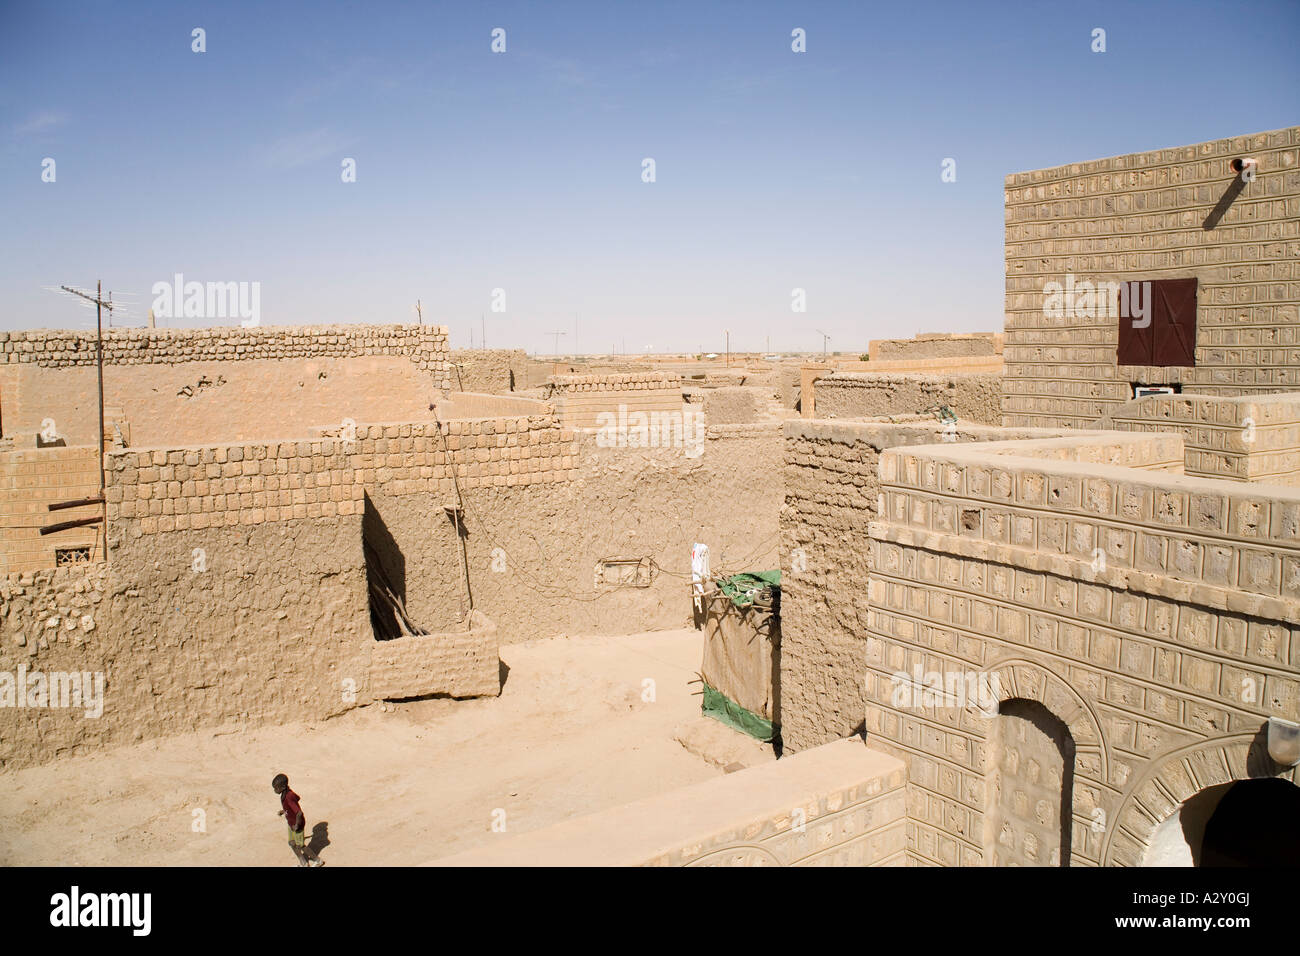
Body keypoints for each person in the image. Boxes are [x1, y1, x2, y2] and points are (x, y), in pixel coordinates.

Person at [272, 773, 323, 867]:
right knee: (292, 843)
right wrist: (284, 811)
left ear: (283, 787)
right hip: (291, 823)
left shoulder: (288, 796)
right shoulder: (285, 794)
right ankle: (303, 863)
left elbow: (299, 813)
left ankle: (318, 860)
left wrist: (297, 825)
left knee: (300, 845)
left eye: (276, 788)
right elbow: (297, 798)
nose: (275, 790)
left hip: (297, 825)